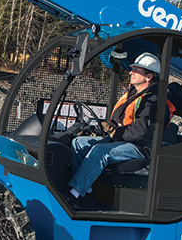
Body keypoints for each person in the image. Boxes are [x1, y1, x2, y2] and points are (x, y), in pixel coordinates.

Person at [67, 52, 174, 200]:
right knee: (79, 143)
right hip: (123, 139)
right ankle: (88, 187)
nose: (131, 72)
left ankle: (75, 194)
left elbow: (141, 131)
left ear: (149, 77)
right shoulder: (133, 94)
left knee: (100, 152)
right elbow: (120, 119)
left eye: (137, 70)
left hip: (141, 147)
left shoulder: (152, 100)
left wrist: (115, 132)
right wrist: (106, 128)